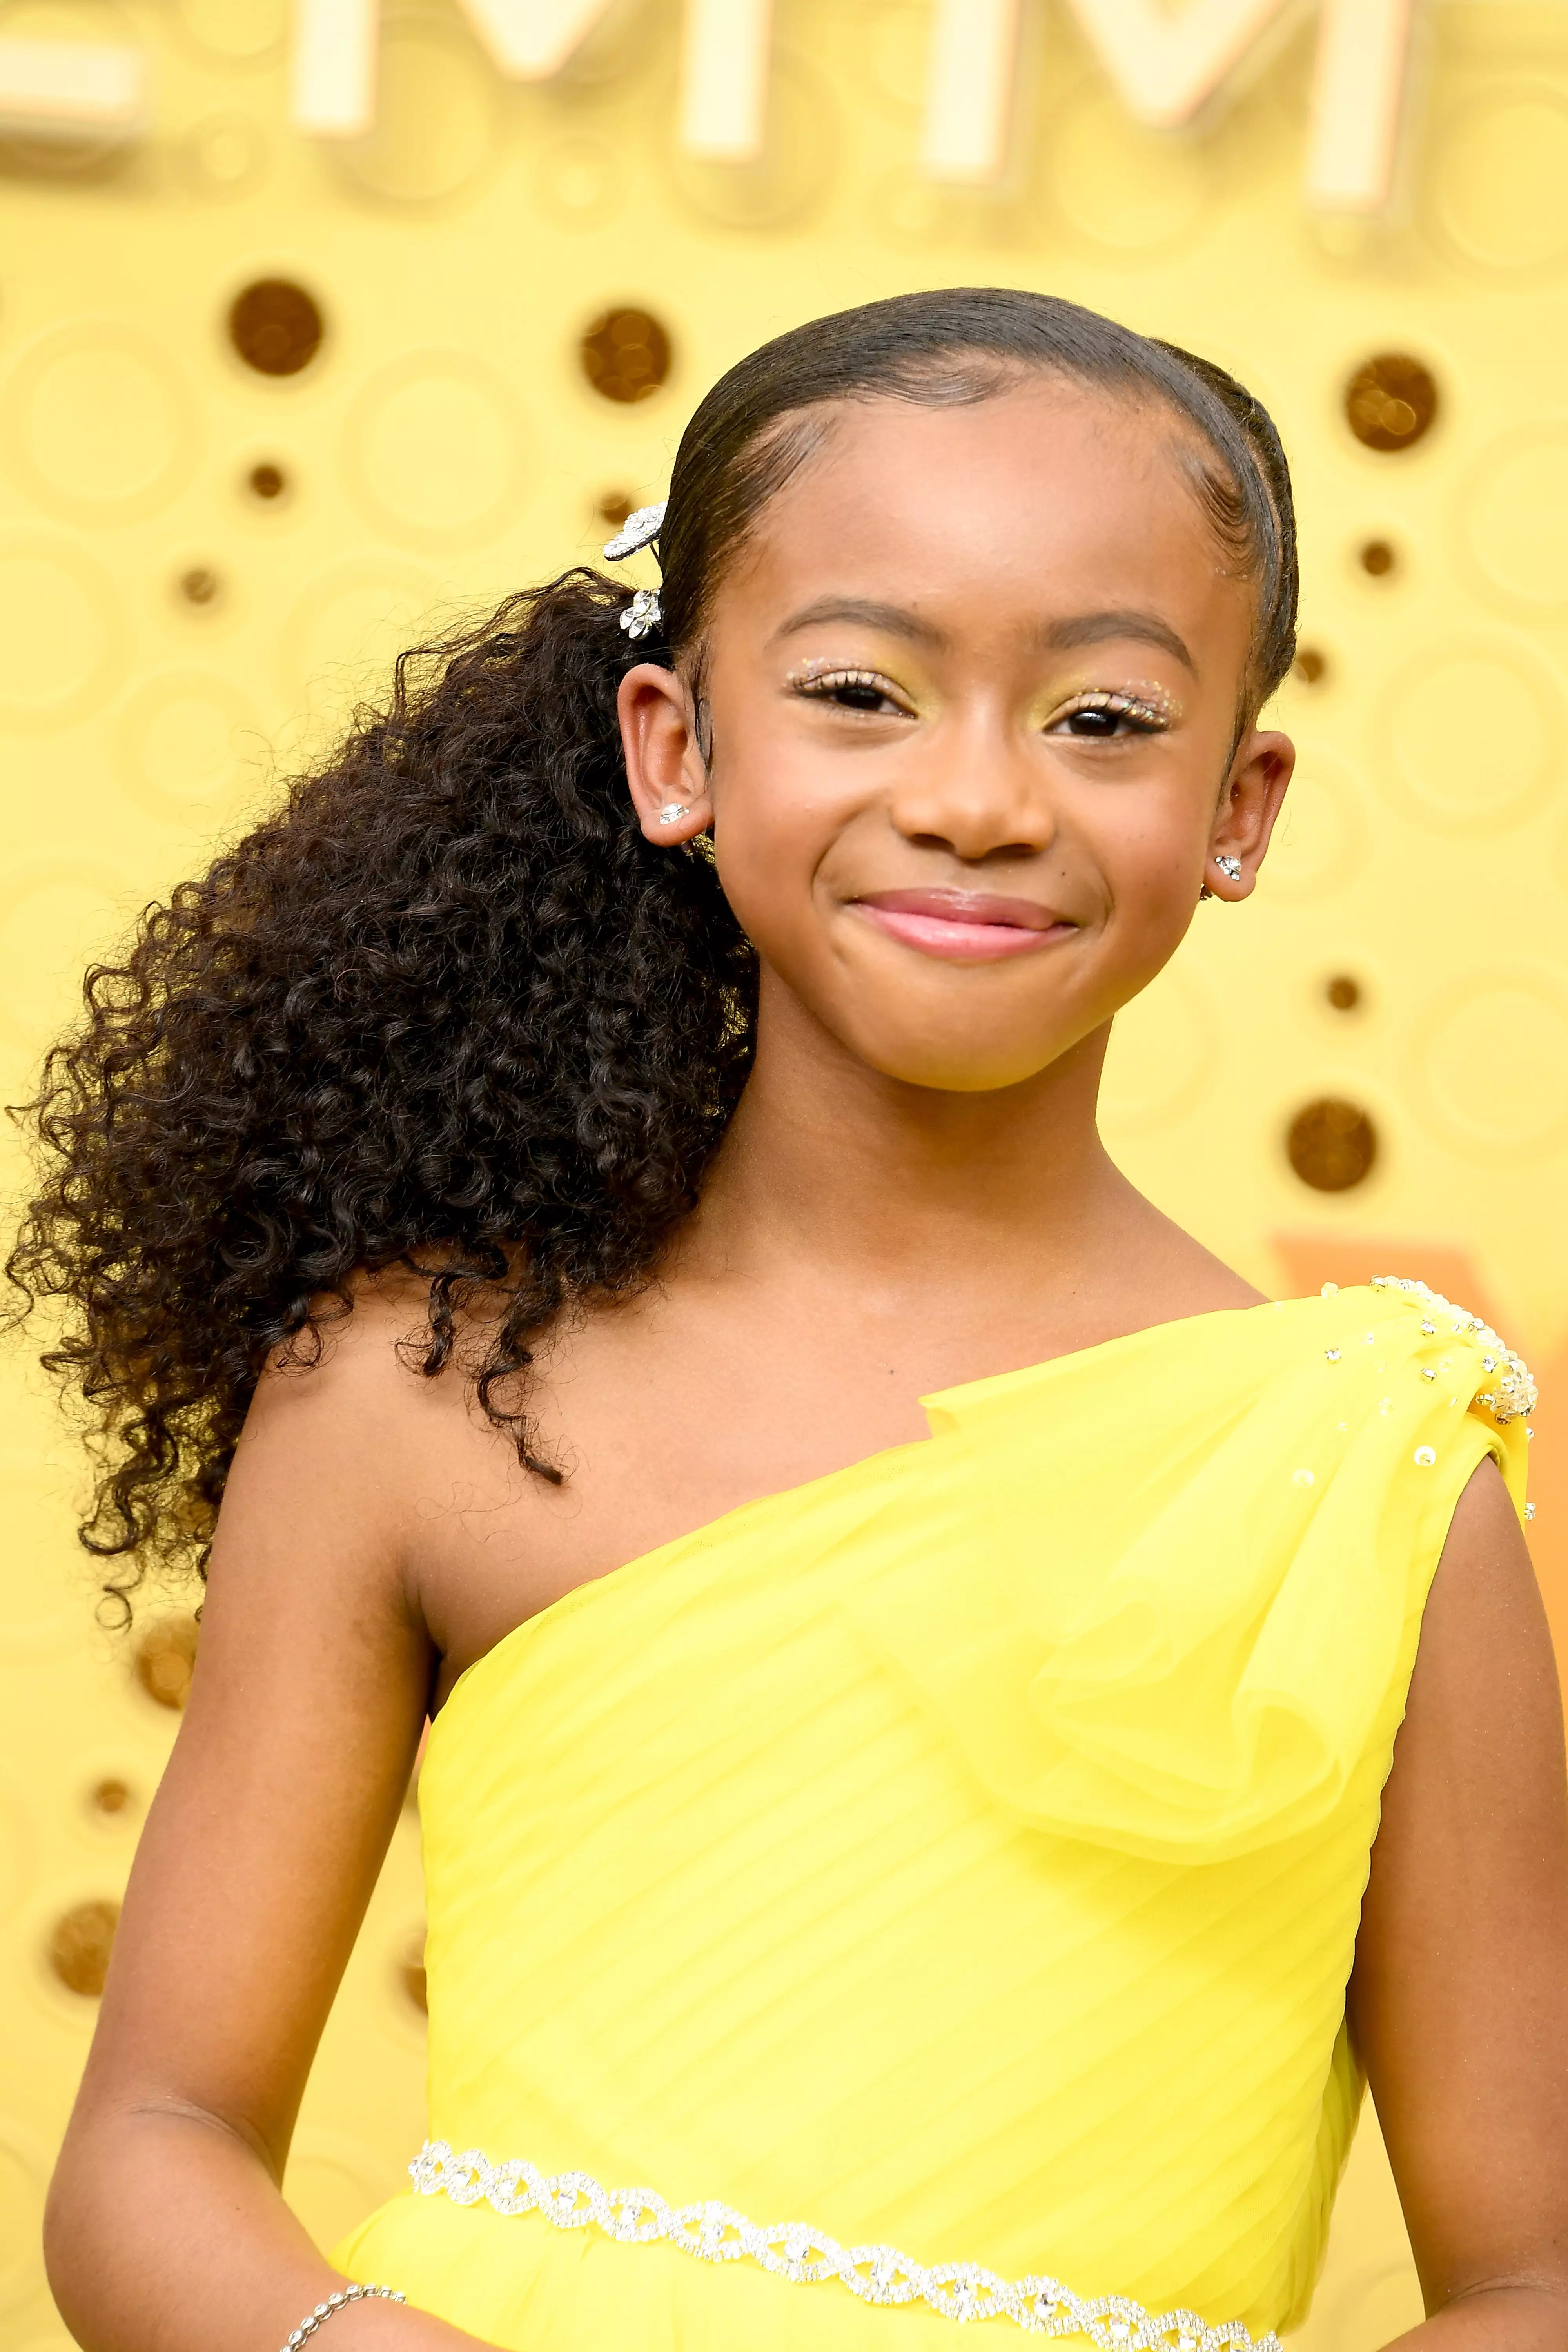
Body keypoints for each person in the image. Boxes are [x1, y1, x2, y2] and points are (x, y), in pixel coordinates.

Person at [17, 288, 1568, 2352]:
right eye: (861, 690)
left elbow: (1532, 2272)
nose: (981, 797)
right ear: (680, 747)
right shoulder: (412, 1389)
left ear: (1238, 807)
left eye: (1104, 717)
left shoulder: (1374, 1485)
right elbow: (160, 2142)